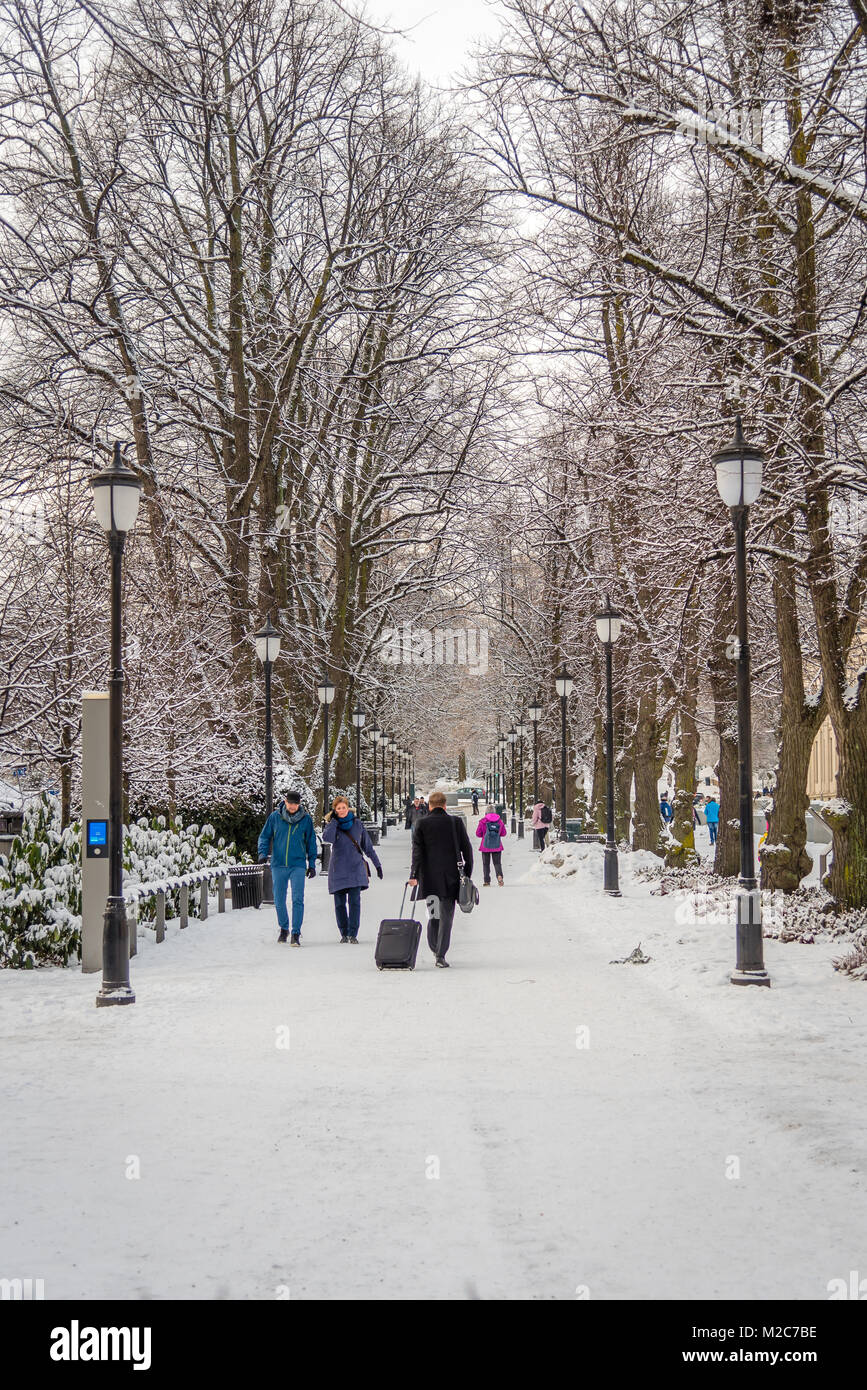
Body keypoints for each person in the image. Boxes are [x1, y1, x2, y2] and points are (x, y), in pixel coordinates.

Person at [409, 790, 473, 968]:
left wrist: (413, 875)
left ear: (429, 806)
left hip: (428, 878)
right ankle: (440, 954)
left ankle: (433, 945)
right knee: (447, 916)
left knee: (433, 915)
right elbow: (467, 850)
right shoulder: (455, 822)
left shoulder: (421, 823)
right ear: (445, 806)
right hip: (450, 878)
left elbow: (417, 853)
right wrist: (467, 874)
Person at [257, 790, 317, 945]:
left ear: (299, 804)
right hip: (278, 864)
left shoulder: (306, 820)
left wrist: (311, 864)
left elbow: (311, 843)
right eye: (290, 803)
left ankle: (296, 933)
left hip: (297, 864)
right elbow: (264, 836)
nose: (292, 806)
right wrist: (262, 853)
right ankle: (284, 928)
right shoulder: (275, 817)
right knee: (279, 899)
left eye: (295, 804)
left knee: (297, 898)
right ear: (285, 801)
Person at [321, 795, 382, 942]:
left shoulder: (357, 824)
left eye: (343, 807)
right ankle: (344, 933)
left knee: (354, 902)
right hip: (338, 869)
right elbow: (327, 839)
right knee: (340, 904)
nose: (341, 810)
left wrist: (377, 865)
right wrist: (334, 822)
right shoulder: (332, 825)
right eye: (338, 808)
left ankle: (353, 934)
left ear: (348, 808)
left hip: (355, 867)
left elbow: (367, 847)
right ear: (335, 810)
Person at [476, 803, 507, 885]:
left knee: (486, 864)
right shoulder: (499, 821)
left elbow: (478, 834)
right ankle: (499, 876)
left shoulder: (483, 821)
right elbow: (504, 833)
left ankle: (487, 881)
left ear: (486, 812)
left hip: (485, 846)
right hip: (497, 845)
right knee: (497, 863)